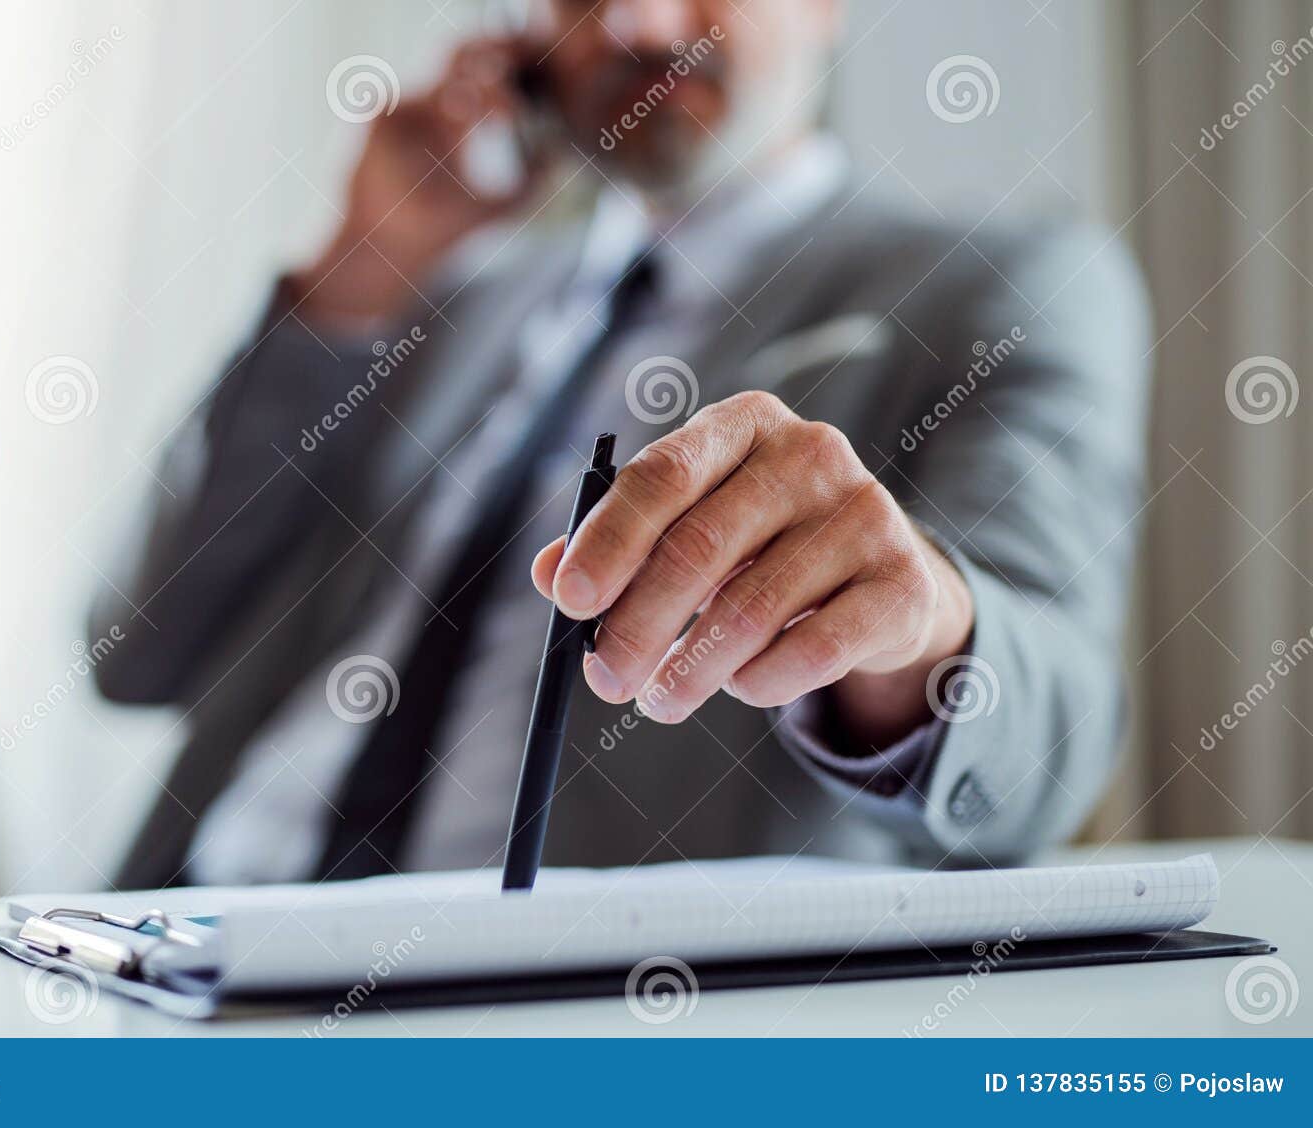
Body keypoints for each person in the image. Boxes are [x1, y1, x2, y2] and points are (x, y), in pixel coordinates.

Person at [92, 0, 1150, 890]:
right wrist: (362, 268)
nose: (639, 22)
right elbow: (136, 650)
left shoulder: (1002, 284)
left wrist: (915, 631)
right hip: (186, 955)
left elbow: (1047, 741)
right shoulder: (456, 294)